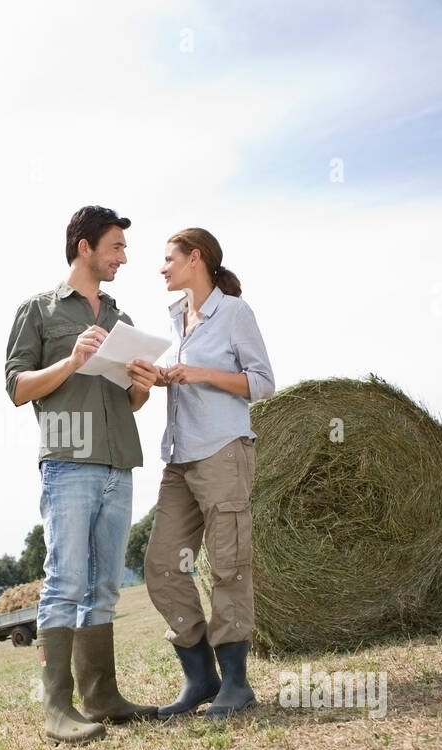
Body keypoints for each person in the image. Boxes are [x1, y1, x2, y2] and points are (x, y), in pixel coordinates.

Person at [4, 205, 161, 744]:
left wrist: (140, 384)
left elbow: (131, 403)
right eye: (115, 247)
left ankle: (102, 696)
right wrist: (71, 361)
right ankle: (57, 710)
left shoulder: (121, 317)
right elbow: (19, 388)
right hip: (69, 461)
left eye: (124, 249)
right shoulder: (40, 312)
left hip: (120, 461)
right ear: (84, 247)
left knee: (105, 586)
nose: (123, 258)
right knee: (65, 582)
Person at [142, 227, 275, 720]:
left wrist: (199, 373)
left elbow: (262, 384)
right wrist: (157, 377)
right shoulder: (176, 318)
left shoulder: (234, 312)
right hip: (179, 458)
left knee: (227, 566)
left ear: (195, 259)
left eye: (168, 258)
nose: (162, 267)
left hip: (223, 451)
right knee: (161, 566)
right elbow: (181, 379)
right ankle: (201, 678)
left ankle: (236, 685)